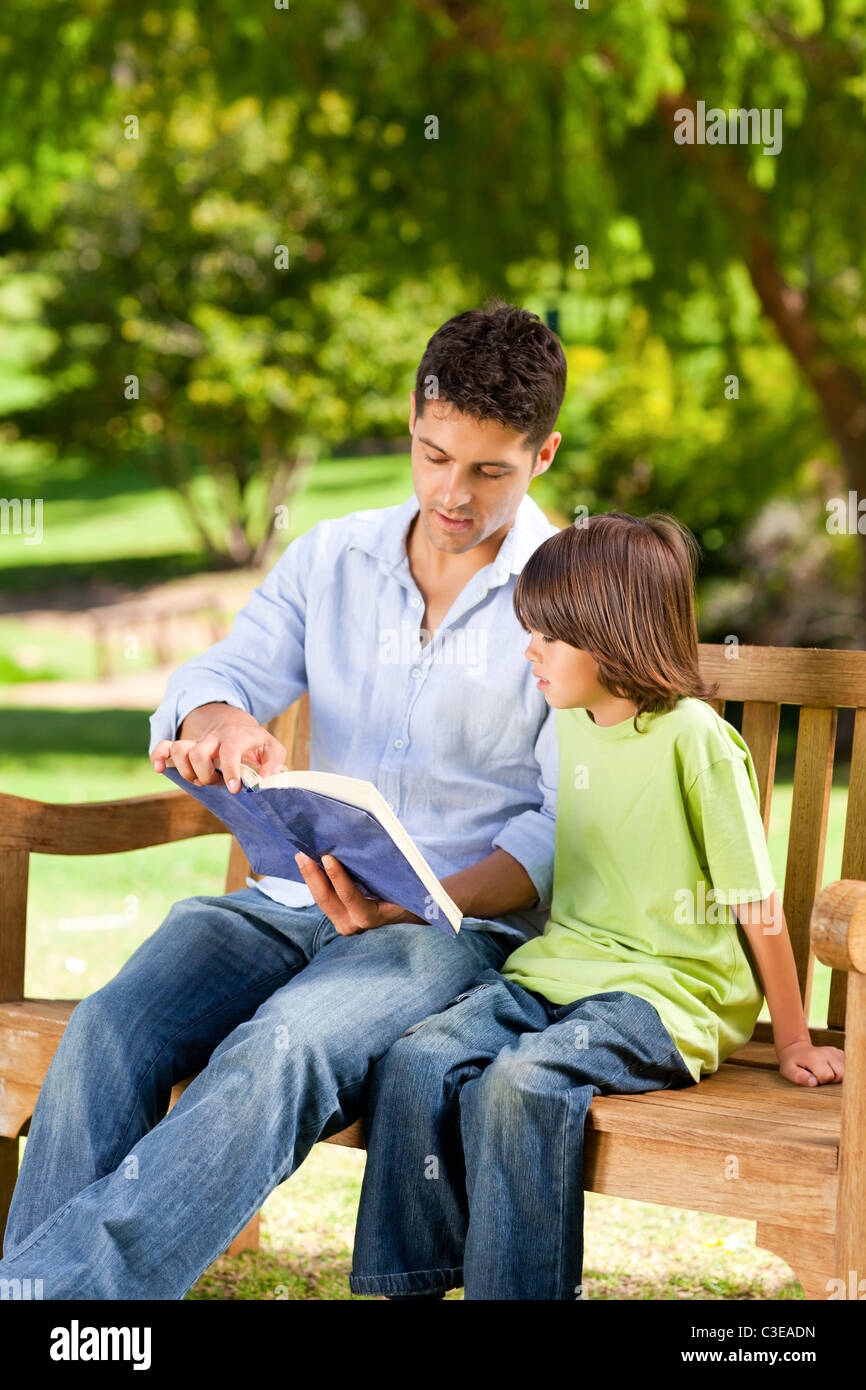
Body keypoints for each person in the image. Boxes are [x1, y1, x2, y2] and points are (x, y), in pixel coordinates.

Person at [0, 298, 566, 1299]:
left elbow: (560, 824)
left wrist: (428, 896)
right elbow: (220, 674)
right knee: (109, 1023)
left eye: (488, 470)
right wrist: (218, 717)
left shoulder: (566, 597)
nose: (450, 492)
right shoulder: (330, 556)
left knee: (280, 1047)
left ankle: (50, 1303)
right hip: (291, 897)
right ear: (410, 419)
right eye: (433, 455)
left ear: (543, 456)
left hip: (442, 927)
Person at [348, 511, 846, 1302]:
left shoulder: (696, 741)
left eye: (549, 636)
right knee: (419, 1058)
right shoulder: (570, 724)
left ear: (612, 636)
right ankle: (410, 1286)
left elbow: (757, 904)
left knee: (520, 1084)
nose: (529, 651)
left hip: (668, 994)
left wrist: (791, 1039)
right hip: (562, 972)